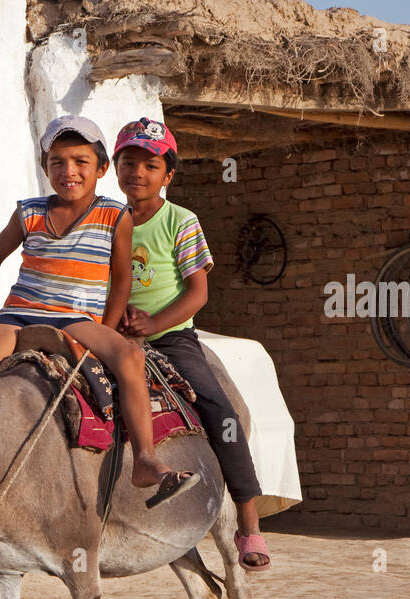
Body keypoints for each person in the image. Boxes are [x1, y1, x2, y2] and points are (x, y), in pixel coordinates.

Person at [0, 114, 199, 507]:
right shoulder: (29, 212)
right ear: (45, 167)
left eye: (80, 162)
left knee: (128, 355)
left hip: (77, 317)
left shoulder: (114, 216)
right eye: (57, 162)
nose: (68, 171)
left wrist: (105, 329)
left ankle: (144, 459)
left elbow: (121, 280)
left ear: (101, 168)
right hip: (20, 313)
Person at [112, 117, 271, 569]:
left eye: (150, 164)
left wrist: (154, 322)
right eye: (128, 162)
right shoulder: (106, 220)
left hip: (171, 339)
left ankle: (248, 522)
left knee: (221, 412)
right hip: (113, 336)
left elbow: (198, 292)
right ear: (115, 168)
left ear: (169, 176)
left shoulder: (180, 221)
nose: (138, 172)